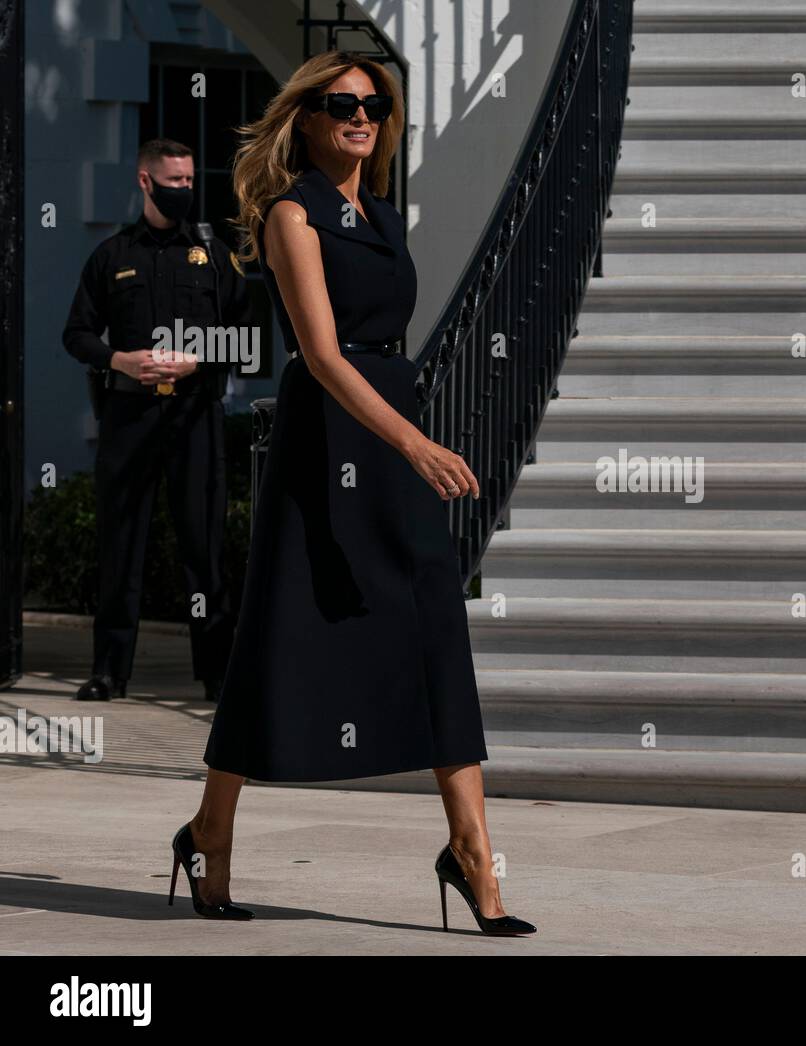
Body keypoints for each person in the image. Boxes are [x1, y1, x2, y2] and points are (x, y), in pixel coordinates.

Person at [173, 51, 534, 936]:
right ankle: (211, 830)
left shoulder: (382, 215)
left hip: (390, 428)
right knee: (281, 637)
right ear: (306, 118)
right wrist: (415, 441)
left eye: (374, 104)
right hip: (329, 437)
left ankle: (473, 853)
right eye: (341, 104)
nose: (361, 116)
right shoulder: (292, 217)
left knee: (435, 625)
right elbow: (324, 354)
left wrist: (410, 432)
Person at [63, 139, 248, 703]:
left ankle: (216, 674)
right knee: (122, 546)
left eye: (190, 180)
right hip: (130, 415)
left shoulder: (214, 255)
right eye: (174, 180)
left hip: (195, 417)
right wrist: (119, 358)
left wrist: (197, 358)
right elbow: (76, 334)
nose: (185, 190)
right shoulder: (113, 255)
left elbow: (247, 335)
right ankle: (108, 672)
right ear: (146, 181)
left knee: (204, 547)